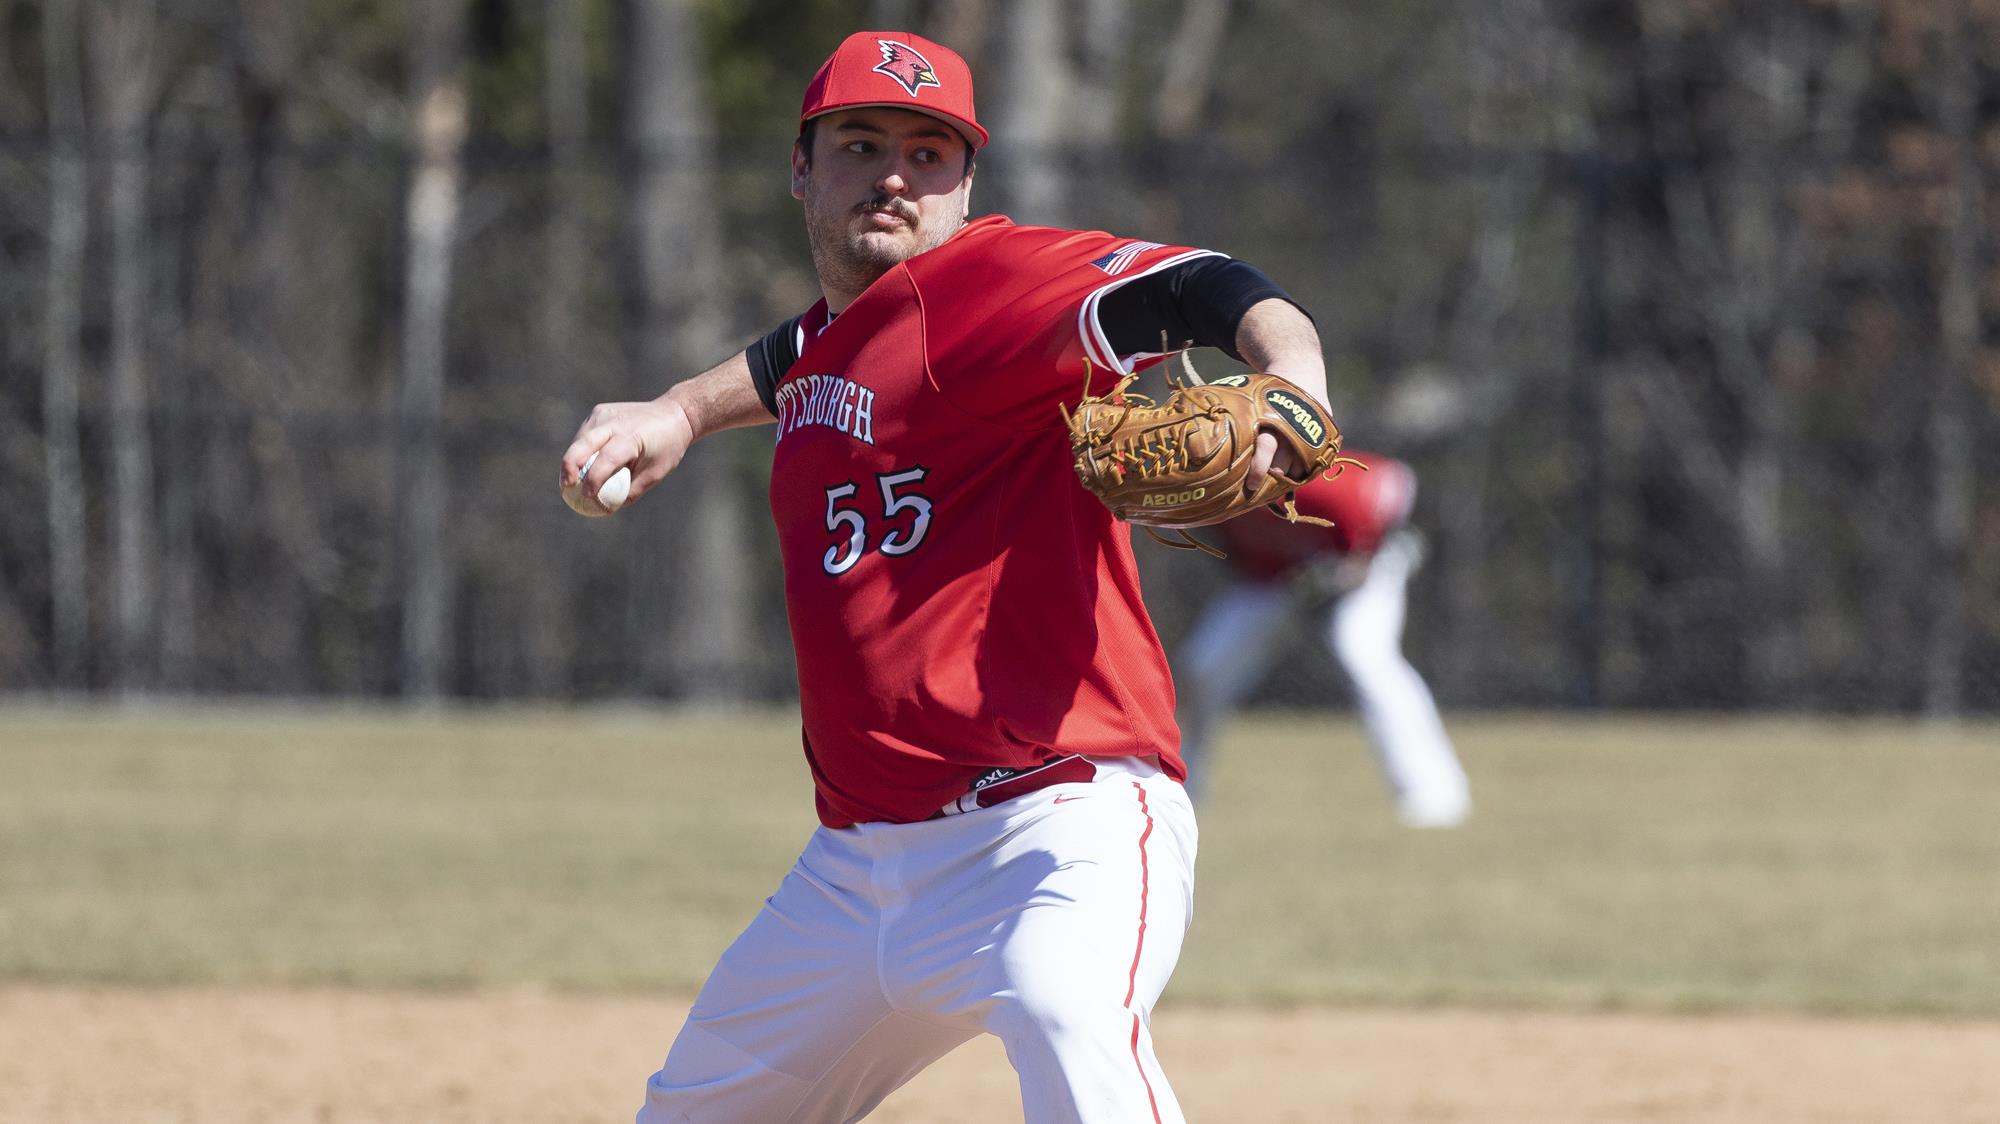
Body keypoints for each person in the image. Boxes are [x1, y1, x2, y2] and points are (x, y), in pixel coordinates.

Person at [561, 30, 1337, 1123]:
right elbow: (800, 354)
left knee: (1071, 1025)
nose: (894, 175)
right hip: (853, 873)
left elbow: (1204, 284)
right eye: (861, 144)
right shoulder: (848, 331)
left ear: (966, 186)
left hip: (1053, 830)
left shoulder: (989, 284)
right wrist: (681, 410)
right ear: (801, 168)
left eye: (928, 154)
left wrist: (1294, 373)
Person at [1175, 451, 1472, 827]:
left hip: (1359, 569)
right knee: (1203, 667)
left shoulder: (1327, 484)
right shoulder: (1206, 491)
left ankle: (1434, 790)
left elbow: (1397, 484)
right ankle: (1179, 789)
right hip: (1275, 578)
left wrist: (1354, 565)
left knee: (1364, 654)